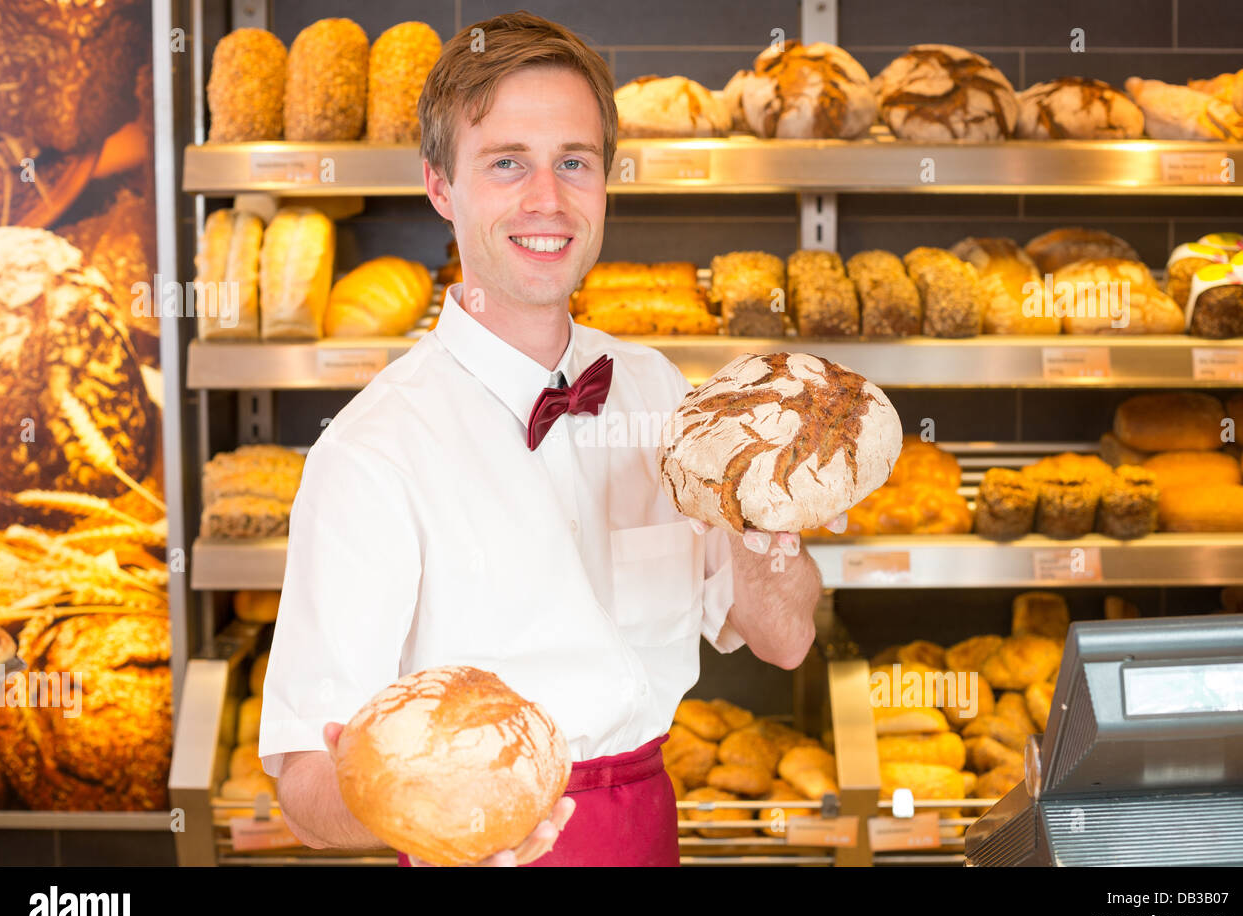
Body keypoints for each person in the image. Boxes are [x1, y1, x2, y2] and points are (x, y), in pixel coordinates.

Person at [259, 11, 826, 867]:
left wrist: (766, 516)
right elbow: (303, 781)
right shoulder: (371, 453)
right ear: (441, 187)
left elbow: (784, 638)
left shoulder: (660, 392)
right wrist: (430, 811)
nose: (547, 201)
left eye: (574, 163)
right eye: (506, 164)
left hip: (649, 826)